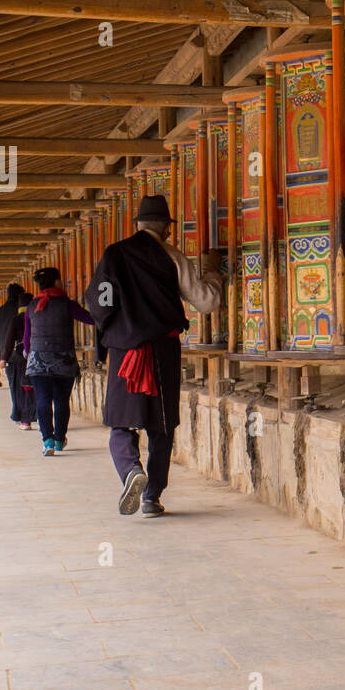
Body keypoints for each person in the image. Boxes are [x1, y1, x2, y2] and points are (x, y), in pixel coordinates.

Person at [85, 194, 221, 516]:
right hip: (162, 351)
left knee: (121, 423)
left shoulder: (113, 255)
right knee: (161, 425)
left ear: (139, 224)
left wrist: (111, 336)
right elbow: (206, 302)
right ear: (166, 229)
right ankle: (151, 496)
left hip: (124, 353)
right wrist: (214, 273)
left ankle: (131, 470)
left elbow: (100, 303)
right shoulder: (173, 257)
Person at [24, 266, 95, 456]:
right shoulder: (67, 304)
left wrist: (29, 355)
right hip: (63, 360)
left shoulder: (31, 306)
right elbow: (90, 319)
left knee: (42, 401)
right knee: (61, 401)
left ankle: (47, 439)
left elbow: (27, 338)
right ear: (57, 282)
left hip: (38, 361)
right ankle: (59, 439)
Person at [0, 283, 35, 430]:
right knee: (30, 386)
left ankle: (21, 416)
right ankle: (29, 415)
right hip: (29, 354)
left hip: (10, 356)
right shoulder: (28, 311)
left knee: (15, 387)